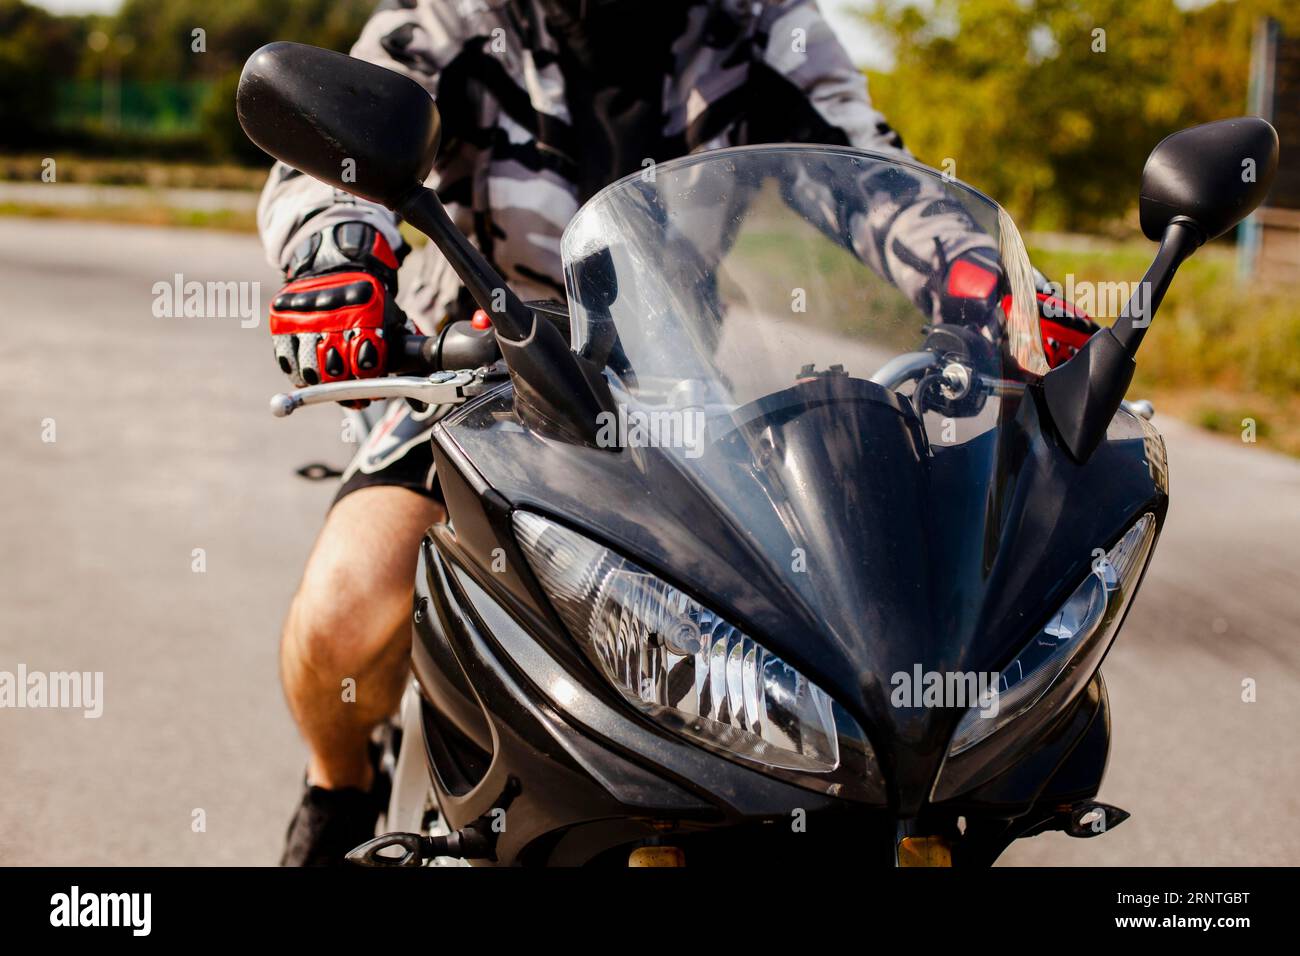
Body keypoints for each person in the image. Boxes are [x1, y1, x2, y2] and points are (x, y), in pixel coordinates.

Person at [259, 0, 1093, 865]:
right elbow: (337, 161)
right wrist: (339, 260)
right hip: (474, 385)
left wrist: (978, 276)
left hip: (687, 403)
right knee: (346, 609)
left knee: (844, 621)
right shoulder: (451, 16)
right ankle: (336, 793)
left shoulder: (757, 23)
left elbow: (866, 166)